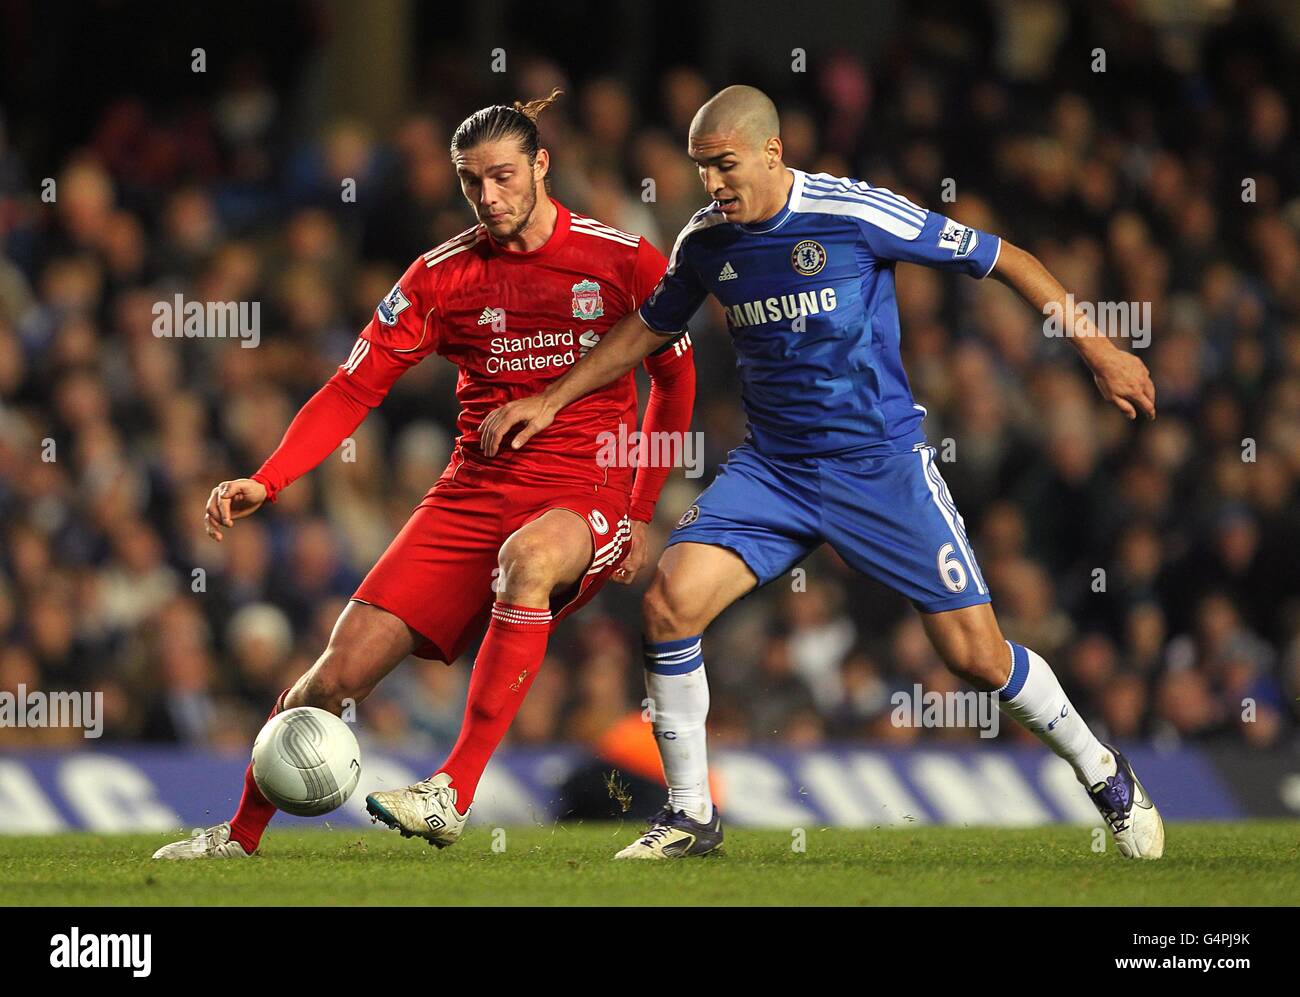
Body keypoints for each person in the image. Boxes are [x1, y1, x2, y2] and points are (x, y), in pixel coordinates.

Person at [480, 85, 1165, 860]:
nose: (712, 183)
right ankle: (690, 814)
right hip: (773, 470)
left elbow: (1003, 257)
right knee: (669, 604)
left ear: (772, 152)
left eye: (726, 164)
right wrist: (551, 397)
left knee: (974, 655)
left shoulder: (854, 213)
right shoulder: (705, 241)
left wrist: (1098, 349)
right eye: (702, 167)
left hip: (879, 467)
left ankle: (1101, 770)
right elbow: (648, 327)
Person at [153, 91, 694, 859]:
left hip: (586, 491)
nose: (488, 197)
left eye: (503, 176)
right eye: (472, 182)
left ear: (542, 164)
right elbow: (352, 389)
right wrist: (268, 480)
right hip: (471, 495)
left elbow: (676, 377)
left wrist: (639, 506)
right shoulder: (441, 276)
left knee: (529, 560)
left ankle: (452, 790)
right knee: (330, 677)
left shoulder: (623, 259)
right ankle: (238, 837)